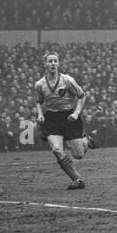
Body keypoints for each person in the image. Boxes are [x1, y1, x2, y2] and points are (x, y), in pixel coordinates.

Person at [33, 51, 88, 190]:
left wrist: (76, 113)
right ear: (45, 64)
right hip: (52, 119)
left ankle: (86, 139)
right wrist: (40, 114)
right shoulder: (40, 84)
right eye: (50, 61)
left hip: (69, 117)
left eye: (55, 61)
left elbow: (82, 96)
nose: (52, 63)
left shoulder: (68, 80)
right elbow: (39, 101)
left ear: (58, 63)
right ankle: (77, 179)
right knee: (57, 150)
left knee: (79, 155)